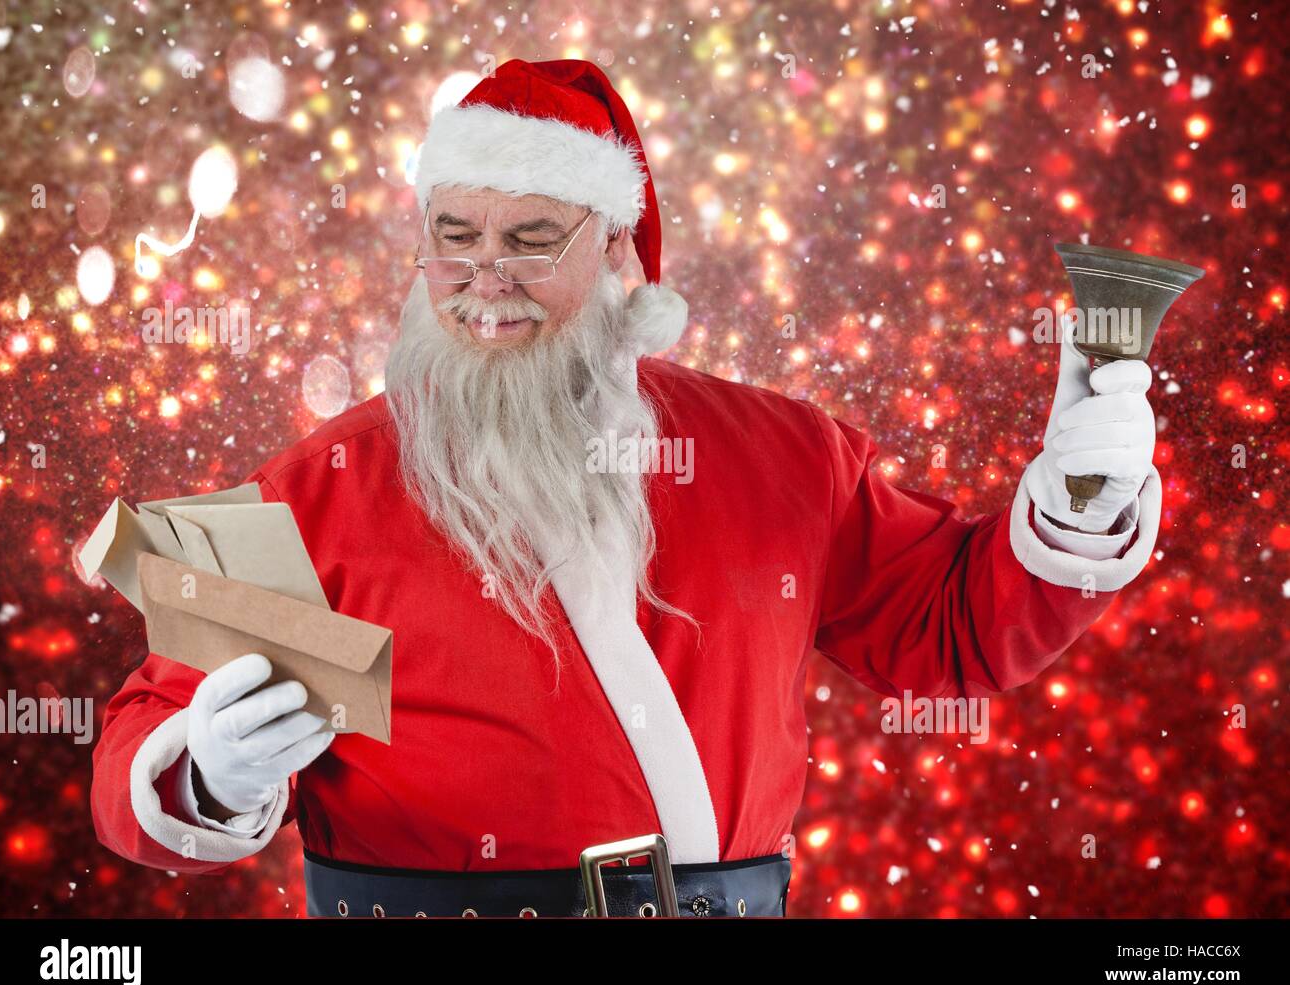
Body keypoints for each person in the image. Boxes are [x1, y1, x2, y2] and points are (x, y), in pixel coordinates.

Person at [90, 59, 1160, 918]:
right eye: (453, 238)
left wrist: (1076, 502)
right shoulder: (314, 488)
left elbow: (949, 634)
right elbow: (140, 747)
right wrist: (211, 771)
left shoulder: (782, 454)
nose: (484, 279)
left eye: (531, 239)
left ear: (620, 256)